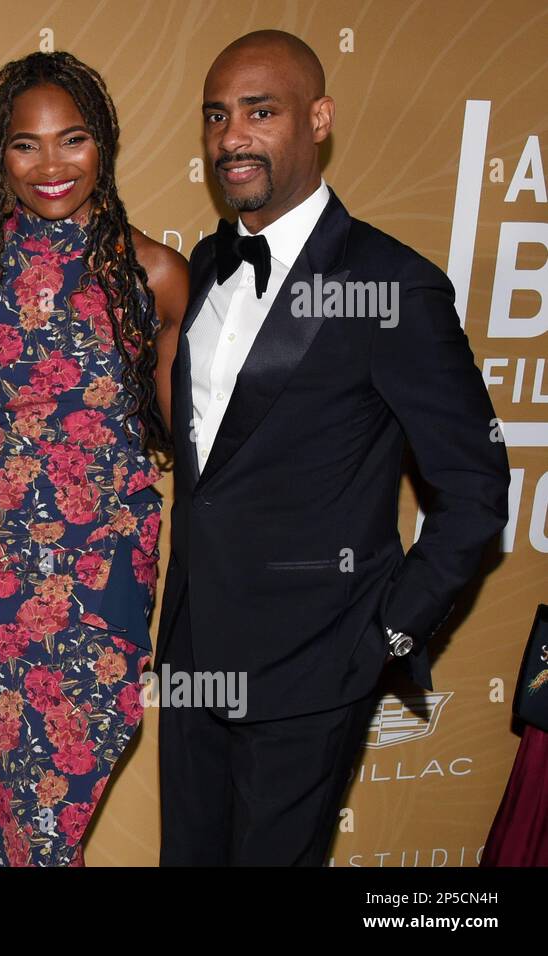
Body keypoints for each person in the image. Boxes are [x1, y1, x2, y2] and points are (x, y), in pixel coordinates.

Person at [155, 30, 511, 865]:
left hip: (314, 669)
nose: (231, 136)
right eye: (216, 116)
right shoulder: (208, 262)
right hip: (195, 655)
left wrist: (387, 634)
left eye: (260, 111)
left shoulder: (394, 284)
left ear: (318, 119)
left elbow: (475, 491)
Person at [0, 51, 188, 866]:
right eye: (25, 145)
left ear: (103, 145)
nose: (50, 166)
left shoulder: (158, 278)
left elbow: (189, 440)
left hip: (104, 579)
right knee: (10, 810)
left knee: (51, 807)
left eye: (72, 140)